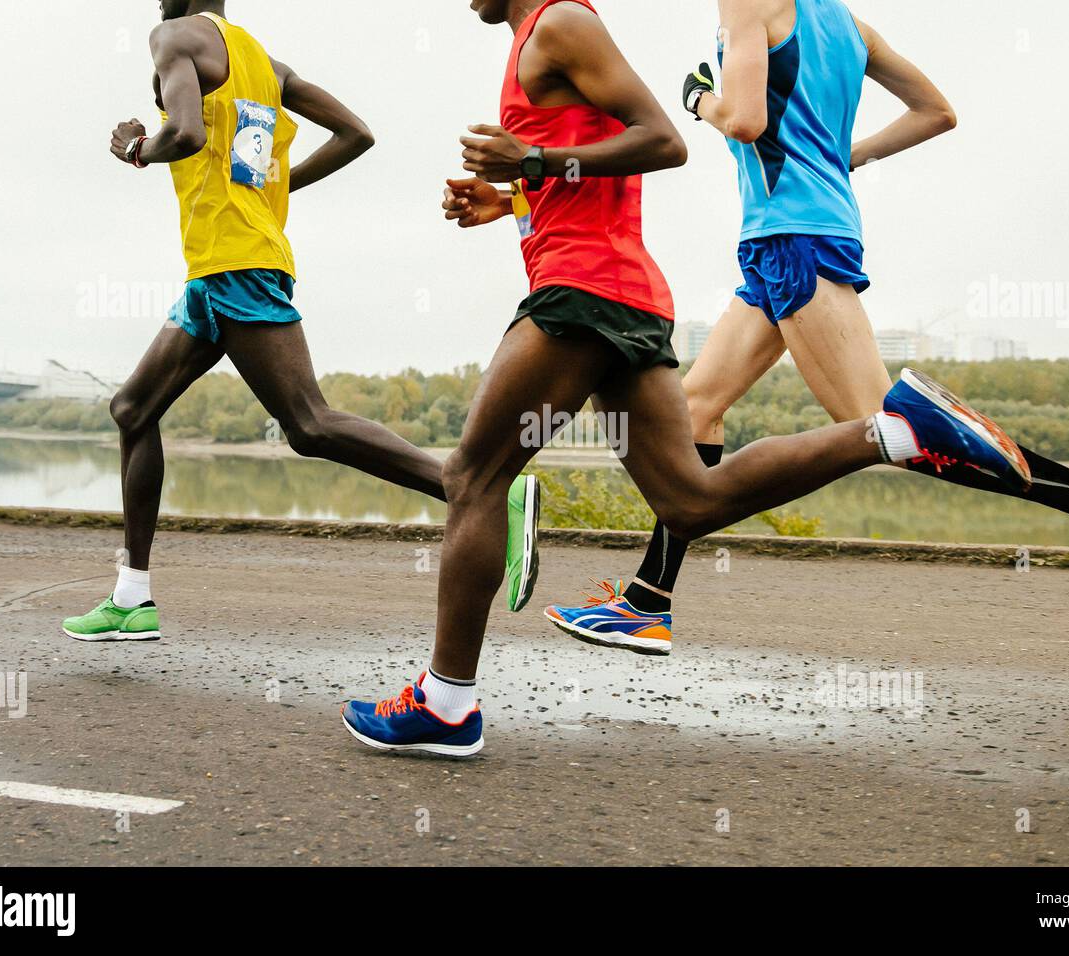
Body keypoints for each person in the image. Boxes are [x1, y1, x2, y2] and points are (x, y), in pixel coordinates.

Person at [340, 0, 1033, 756]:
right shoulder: (536, 41)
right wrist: (511, 197)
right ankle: (889, 433)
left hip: (582, 295)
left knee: (474, 477)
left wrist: (532, 163)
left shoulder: (560, 23)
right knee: (690, 500)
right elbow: (592, 169)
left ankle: (445, 705)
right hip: (621, 298)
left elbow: (664, 143)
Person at [544, 0, 1069, 657]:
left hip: (792, 238)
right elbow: (937, 112)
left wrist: (699, 99)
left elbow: (744, 118)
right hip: (799, 235)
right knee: (695, 410)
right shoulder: (848, 26)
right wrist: (845, 157)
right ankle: (648, 602)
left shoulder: (745, 5)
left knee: (886, 426)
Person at [62, 0, 540, 643]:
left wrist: (137, 148)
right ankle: (132, 597)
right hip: (216, 272)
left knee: (309, 424)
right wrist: (276, 190)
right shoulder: (265, 64)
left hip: (236, 268)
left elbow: (186, 135)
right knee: (132, 410)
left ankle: (476, 489)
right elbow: (356, 134)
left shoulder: (173, 36)